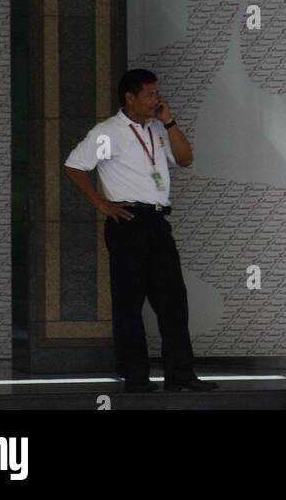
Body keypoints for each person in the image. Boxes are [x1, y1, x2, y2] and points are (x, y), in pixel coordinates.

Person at [64, 66, 217, 393]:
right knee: (129, 303)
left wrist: (169, 122)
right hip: (128, 221)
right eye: (150, 94)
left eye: (157, 93)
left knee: (173, 300)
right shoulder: (108, 132)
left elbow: (186, 159)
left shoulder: (157, 129)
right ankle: (136, 376)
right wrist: (102, 204)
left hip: (158, 221)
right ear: (129, 97)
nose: (156, 99)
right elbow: (74, 166)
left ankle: (180, 373)